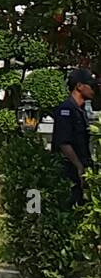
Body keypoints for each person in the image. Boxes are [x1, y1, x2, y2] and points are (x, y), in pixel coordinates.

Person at [51, 67, 96, 205]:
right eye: (91, 85)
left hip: (80, 166)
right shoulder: (66, 109)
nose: (94, 89)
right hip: (68, 170)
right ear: (79, 86)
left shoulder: (80, 110)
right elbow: (64, 143)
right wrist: (79, 166)